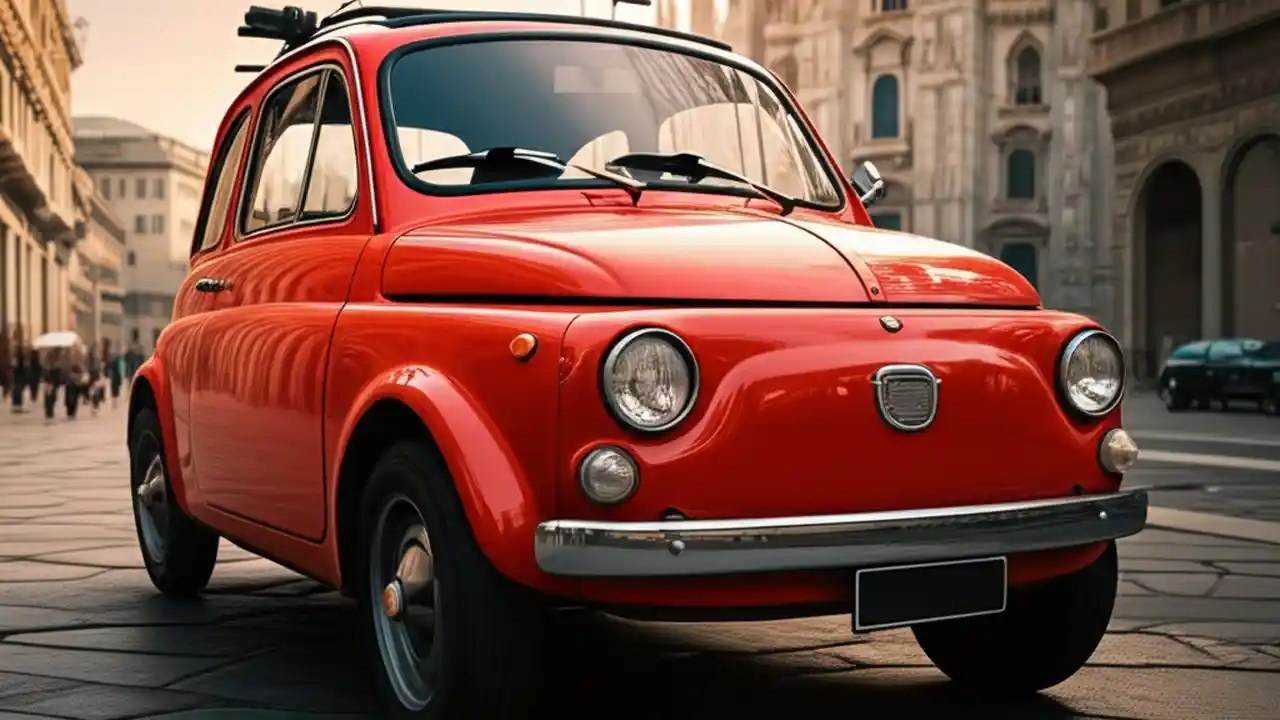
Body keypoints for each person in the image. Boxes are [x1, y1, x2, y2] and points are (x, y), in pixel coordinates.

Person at [104, 338, 124, 408]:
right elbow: (110, 366)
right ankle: (115, 403)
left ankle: (115, 403)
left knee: (115, 388)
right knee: (115, 388)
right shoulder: (115, 358)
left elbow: (110, 366)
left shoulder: (116, 357)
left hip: (116, 374)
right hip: (115, 374)